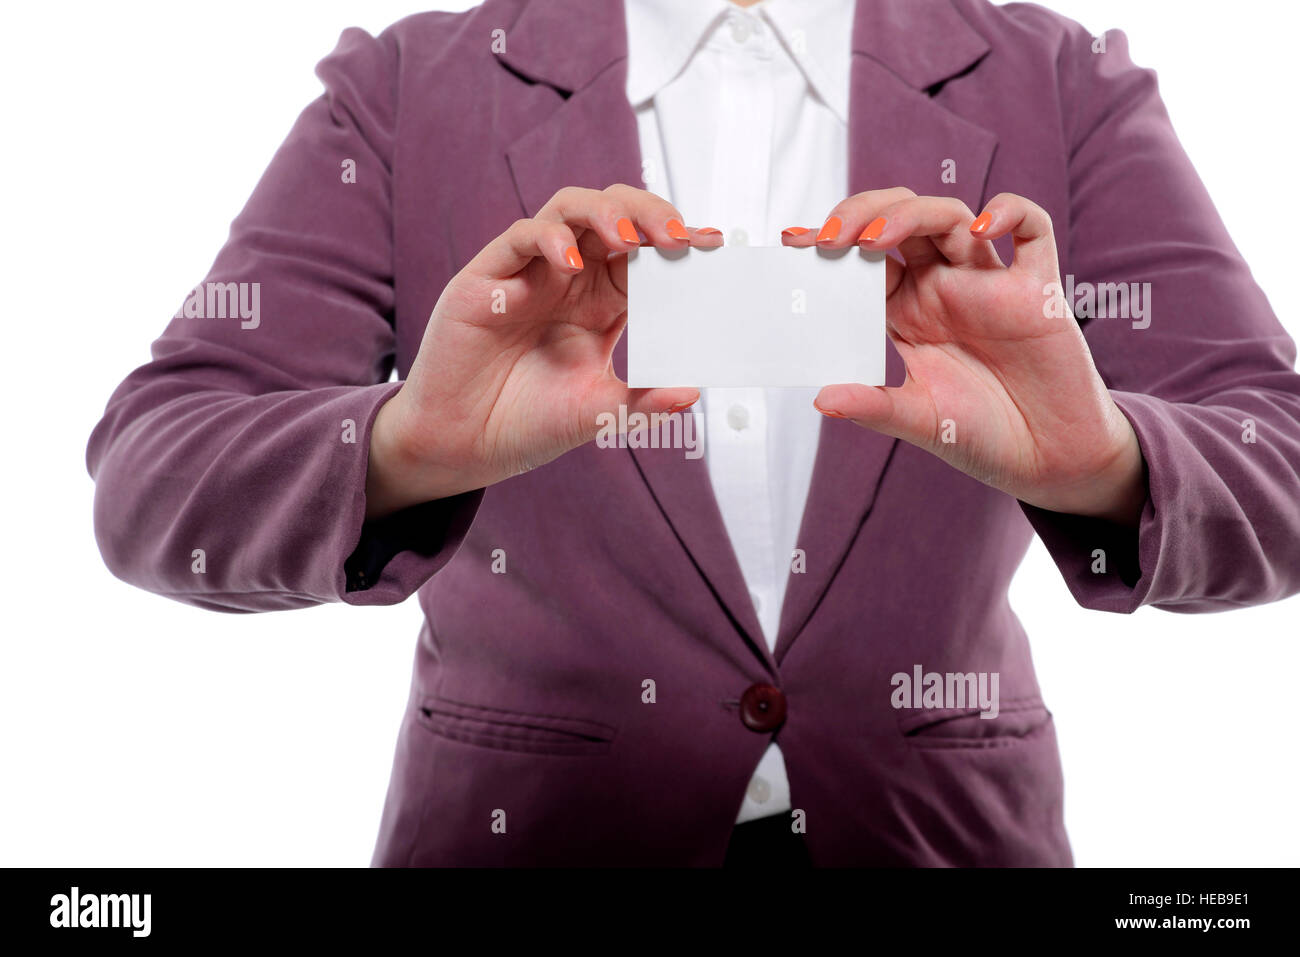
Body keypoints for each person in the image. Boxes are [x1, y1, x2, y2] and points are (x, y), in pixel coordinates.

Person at [86, 0, 1300, 866]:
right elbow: (155, 479)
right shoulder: (405, 87)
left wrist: (1105, 465)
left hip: (942, 838)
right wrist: (405, 443)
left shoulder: (1059, 79)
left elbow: (1279, 459)